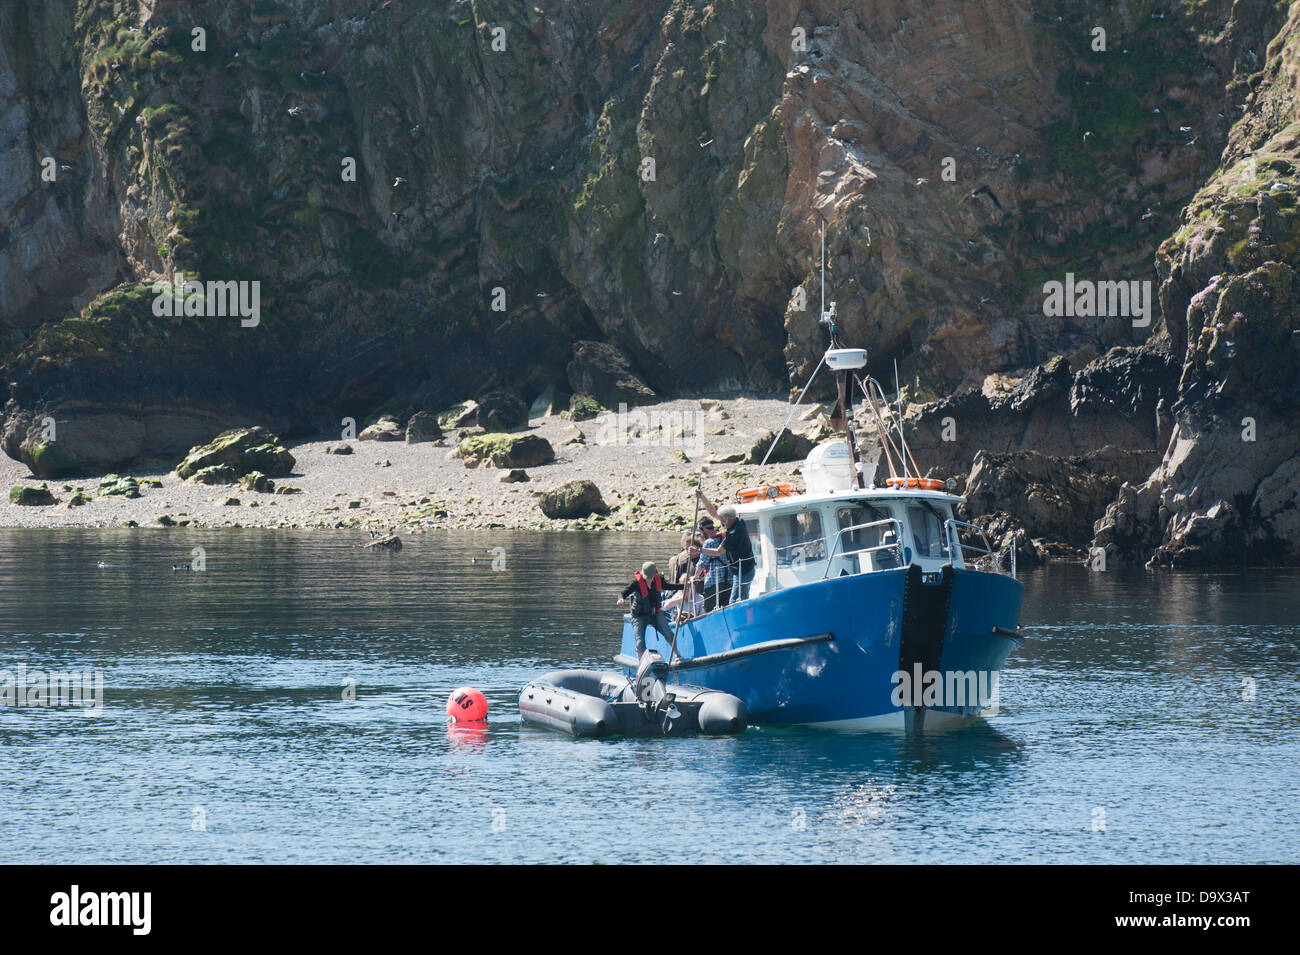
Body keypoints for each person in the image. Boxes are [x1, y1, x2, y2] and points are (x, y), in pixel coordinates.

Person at [696, 490, 756, 602]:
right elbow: (714, 513)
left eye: (721, 519)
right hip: (741, 569)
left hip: (743, 571)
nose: (720, 521)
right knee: (738, 598)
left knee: (735, 601)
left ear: (727, 517)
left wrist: (699, 550)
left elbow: (718, 552)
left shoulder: (734, 533)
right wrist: (702, 497)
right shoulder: (738, 522)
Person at [616, 561, 682, 657]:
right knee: (640, 643)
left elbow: (669, 586)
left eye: (651, 578)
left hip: (654, 613)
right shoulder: (636, 583)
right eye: (647, 578)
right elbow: (622, 593)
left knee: (669, 634)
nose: (649, 580)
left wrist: (684, 586)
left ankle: (677, 655)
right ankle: (641, 664)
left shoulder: (658, 580)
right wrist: (620, 599)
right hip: (639, 615)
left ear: (655, 574)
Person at [694, 516, 731, 611]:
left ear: (705, 529)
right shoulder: (725, 538)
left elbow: (702, 563)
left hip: (714, 582)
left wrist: (695, 577)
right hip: (728, 580)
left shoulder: (708, 543)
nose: (701, 534)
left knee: (709, 610)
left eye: (701, 531)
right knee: (726, 608)